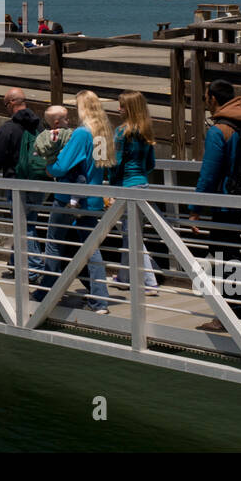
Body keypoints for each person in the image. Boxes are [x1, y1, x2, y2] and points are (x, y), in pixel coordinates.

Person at [190, 79, 241, 328]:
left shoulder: (219, 130)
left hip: (224, 199)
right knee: (233, 250)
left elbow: (208, 174)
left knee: (223, 252)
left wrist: (195, 209)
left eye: (205, 98)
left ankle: (231, 311)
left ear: (212, 99)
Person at [39, 89, 114, 314]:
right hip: (93, 199)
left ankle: (46, 293)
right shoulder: (103, 133)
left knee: (54, 243)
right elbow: (100, 166)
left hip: (69, 200)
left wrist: (49, 168)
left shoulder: (81, 134)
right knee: (92, 251)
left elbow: (61, 166)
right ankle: (99, 301)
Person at [108, 90, 160, 297]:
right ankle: (124, 277)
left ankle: (149, 281)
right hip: (142, 185)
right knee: (130, 233)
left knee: (133, 235)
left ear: (129, 108)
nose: (118, 109)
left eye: (121, 106)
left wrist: (111, 188)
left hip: (126, 186)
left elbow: (116, 163)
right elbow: (151, 163)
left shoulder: (122, 132)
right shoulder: (146, 131)